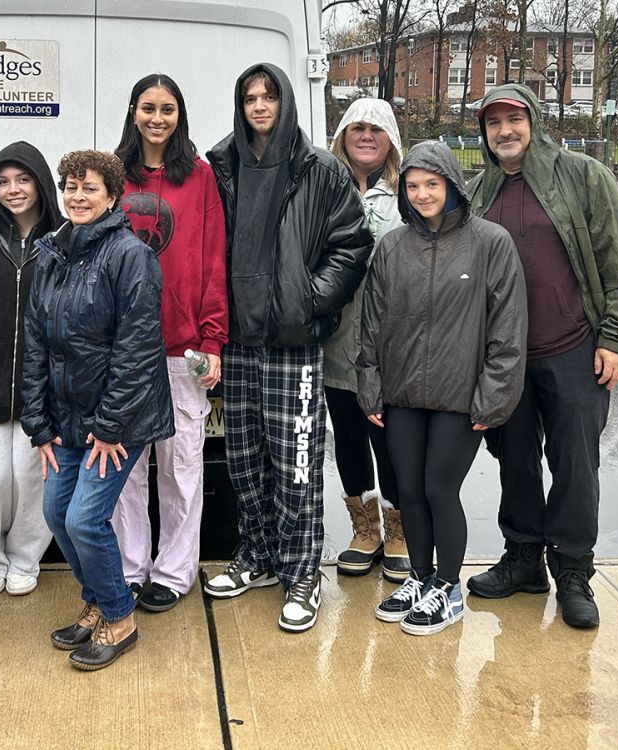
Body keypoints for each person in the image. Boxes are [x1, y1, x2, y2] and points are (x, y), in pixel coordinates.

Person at [465, 84, 618, 628]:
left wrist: (616, 338)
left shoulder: (583, 176)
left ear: (533, 121)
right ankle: (523, 559)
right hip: (505, 358)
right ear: (485, 132)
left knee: (574, 464)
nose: (504, 131)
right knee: (514, 459)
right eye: (493, 123)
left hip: (574, 348)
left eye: (513, 120)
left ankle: (573, 571)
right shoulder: (476, 192)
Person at [203, 63, 371, 633]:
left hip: (292, 345)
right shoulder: (220, 164)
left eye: (268, 96)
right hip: (238, 342)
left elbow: (352, 244)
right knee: (244, 461)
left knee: (295, 464)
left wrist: (307, 300)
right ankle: (258, 557)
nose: (258, 106)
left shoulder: (319, 169)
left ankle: (302, 572)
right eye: (248, 97)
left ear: (285, 102)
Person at [359, 141, 527, 635]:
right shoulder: (392, 247)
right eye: (412, 186)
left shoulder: (490, 242)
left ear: (452, 184)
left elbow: (507, 326)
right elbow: (371, 324)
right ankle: (419, 576)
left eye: (432, 184)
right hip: (403, 392)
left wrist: (494, 395)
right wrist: (370, 383)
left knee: (438, 488)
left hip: (461, 396)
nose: (422, 194)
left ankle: (447, 586)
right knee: (408, 490)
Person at [21, 150, 173, 671]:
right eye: (70, 187)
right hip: (64, 419)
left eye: (89, 188)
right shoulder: (51, 256)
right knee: (56, 513)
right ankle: (97, 602)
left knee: (87, 518)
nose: (78, 197)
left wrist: (110, 427)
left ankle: (119, 617)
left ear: (112, 197)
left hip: (118, 421)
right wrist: (38, 424)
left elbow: (137, 349)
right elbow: (35, 343)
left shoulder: (131, 256)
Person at [109, 74, 228, 613]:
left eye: (168, 109)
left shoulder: (199, 177)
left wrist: (213, 338)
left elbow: (212, 262)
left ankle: (174, 572)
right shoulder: (113, 175)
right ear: (134, 111)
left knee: (181, 466)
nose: (158, 118)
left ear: (180, 115)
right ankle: (130, 569)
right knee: (126, 469)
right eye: (149, 108)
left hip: (183, 348)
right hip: (123, 349)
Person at [0, 143, 63, 597]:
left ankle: (25, 558)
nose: (13, 190)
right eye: (3, 181)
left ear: (41, 184)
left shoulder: (63, 237)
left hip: (41, 389)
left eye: (22, 180)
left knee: (29, 479)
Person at [323, 98, 409, 581]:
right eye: (356, 128)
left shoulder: (405, 194)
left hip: (390, 347)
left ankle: (398, 529)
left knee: (390, 441)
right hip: (336, 343)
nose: (366, 136)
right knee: (350, 439)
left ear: (391, 138)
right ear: (342, 136)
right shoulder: (326, 189)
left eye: (376, 129)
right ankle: (364, 527)